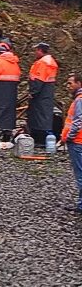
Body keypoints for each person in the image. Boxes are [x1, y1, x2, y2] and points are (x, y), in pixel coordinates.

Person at [28, 42, 60, 148]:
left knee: (39, 116)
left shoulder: (42, 63)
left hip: (40, 94)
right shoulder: (50, 61)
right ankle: (43, 139)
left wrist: (32, 92)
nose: (35, 52)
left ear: (41, 50)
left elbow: (38, 80)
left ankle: (40, 140)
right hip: (47, 92)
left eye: (36, 50)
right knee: (44, 115)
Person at [61, 74, 82, 212]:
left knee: (80, 174)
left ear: (79, 83)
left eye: (71, 83)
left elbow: (79, 121)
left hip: (77, 141)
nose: (68, 87)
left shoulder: (79, 100)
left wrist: (69, 136)